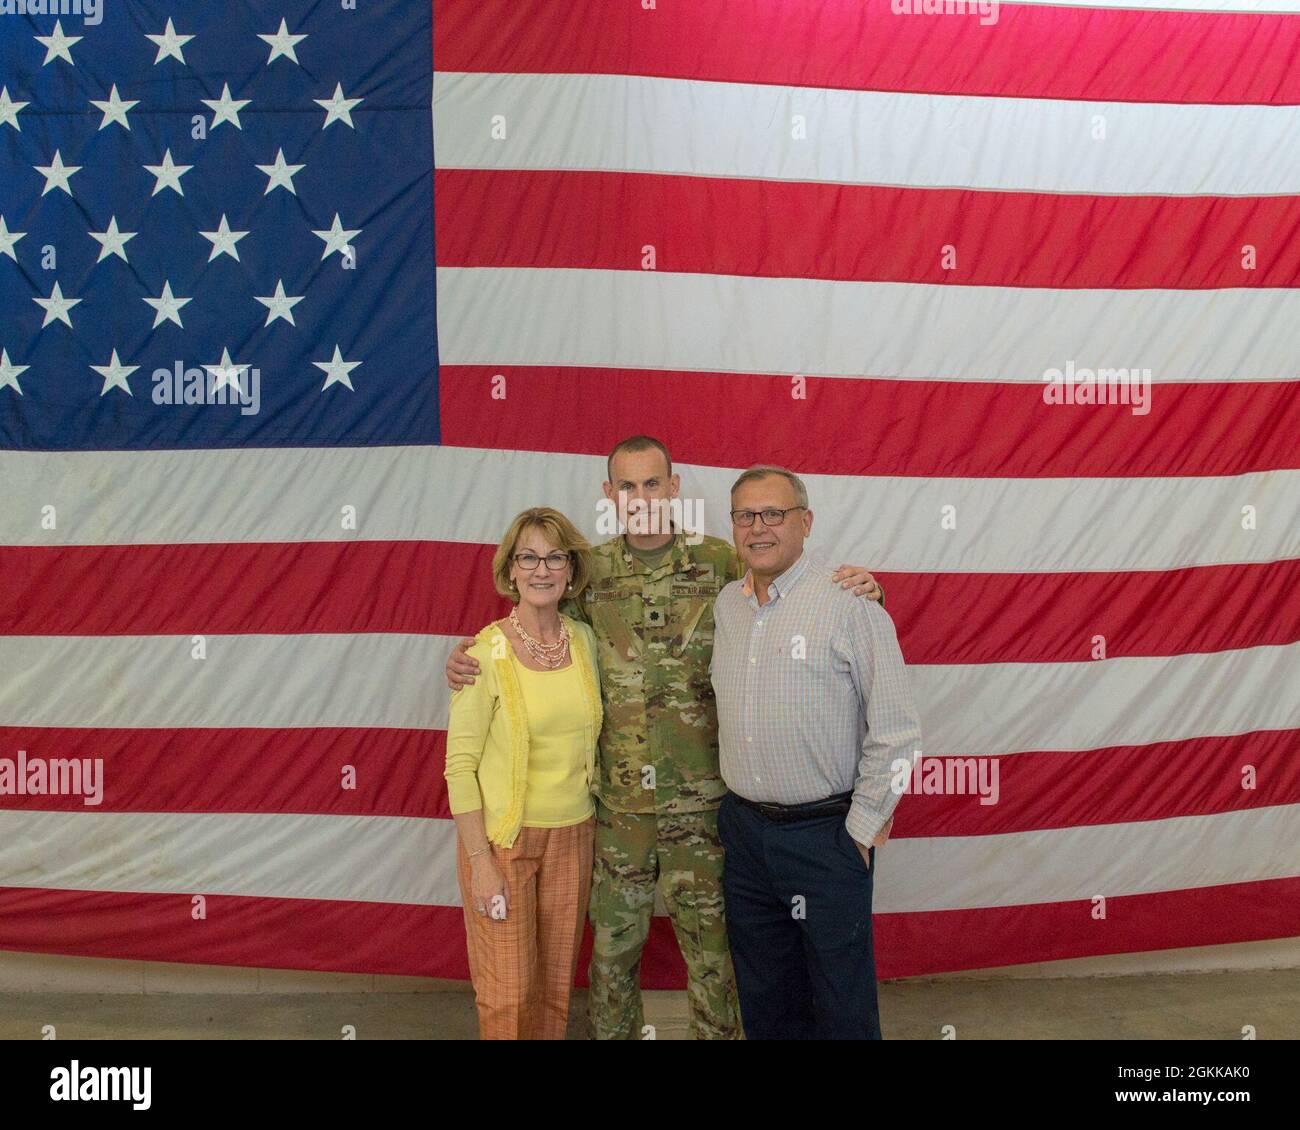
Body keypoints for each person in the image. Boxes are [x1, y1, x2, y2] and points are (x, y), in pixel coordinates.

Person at [447, 436, 884, 1040]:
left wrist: (865, 589)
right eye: (627, 486)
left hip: (704, 812)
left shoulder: (720, 563)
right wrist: (469, 658)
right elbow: (532, 619)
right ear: (610, 496)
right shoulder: (586, 573)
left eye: (653, 483)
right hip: (618, 814)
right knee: (611, 963)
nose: (642, 497)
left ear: (674, 488)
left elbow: (791, 587)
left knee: (714, 964)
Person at [710, 465, 921, 1040]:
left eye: (773, 513)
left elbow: (898, 731)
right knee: (767, 999)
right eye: (745, 515)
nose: (758, 528)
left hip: (825, 838)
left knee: (841, 1003)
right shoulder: (726, 606)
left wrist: (860, 829)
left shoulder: (850, 603)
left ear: (805, 521)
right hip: (746, 835)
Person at [445, 507, 602, 1039]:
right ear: (510, 570)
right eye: (528, 557)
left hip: (575, 838)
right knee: (508, 994)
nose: (542, 569)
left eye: (554, 557)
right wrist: (480, 863)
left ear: (570, 569)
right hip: (503, 847)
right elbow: (459, 768)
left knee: (555, 990)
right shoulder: (483, 652)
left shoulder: (585, 642)